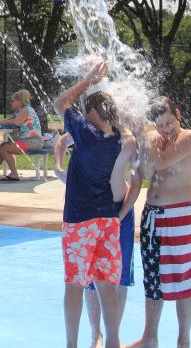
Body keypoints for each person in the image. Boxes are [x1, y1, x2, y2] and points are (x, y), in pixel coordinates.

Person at [55, 60, 126, 348]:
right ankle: (112, 342)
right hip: (107, 222)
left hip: (80, 223)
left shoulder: (87, 133)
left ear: (93, 113)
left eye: (87, 111)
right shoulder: (118, 137)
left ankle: (71, 345)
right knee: (106, 285)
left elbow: (60, 102)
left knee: (74, 284)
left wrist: (88, 79)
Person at [123, 96, 191, 348]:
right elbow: (146, 172)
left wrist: (143, 132)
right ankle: (150, 338)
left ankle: (183, 341)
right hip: (153, 216)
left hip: (180, 215)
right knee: (153, 279)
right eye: (160, 125)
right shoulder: (153, 138)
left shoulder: (188, 137)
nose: (166, 128)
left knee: (183, 280)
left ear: (177, 113)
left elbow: (161, 161)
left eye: (168, 122)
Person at [0, 89, 44, 181]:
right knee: (3, 147)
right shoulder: (19, 110)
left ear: (19, 101)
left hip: (33, 142)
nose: (11, 103)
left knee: (4, 148)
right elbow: (10, 119)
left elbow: (16, 122)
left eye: (12, 101)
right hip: (28, 141)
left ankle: (14, 174)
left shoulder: (27, 110)